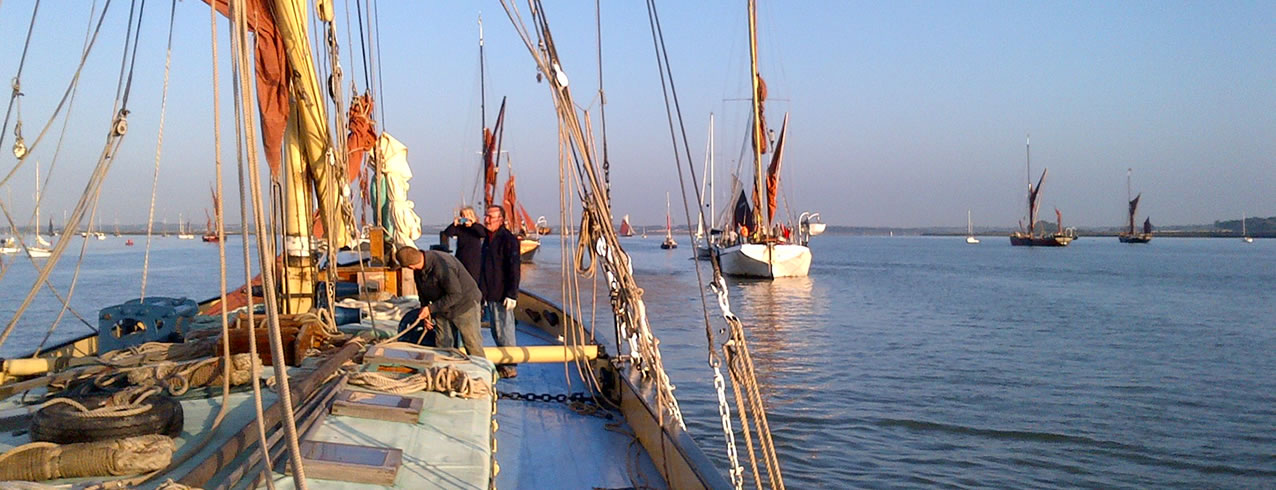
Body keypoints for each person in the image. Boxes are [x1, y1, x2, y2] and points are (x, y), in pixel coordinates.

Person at [395, 246, 485, 359]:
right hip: (441, 306)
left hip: (464, 304)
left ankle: (480, 367)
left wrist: (430, 309)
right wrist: (426, 313)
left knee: (472, 344)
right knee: (443, 345)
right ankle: (446, 367)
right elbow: (422, 293)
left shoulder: (443, 266)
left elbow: (455, 294)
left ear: (410, 266)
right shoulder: (418, 270)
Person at [479, 205, 521, 378]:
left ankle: (510, 366)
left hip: (502, 293)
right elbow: (484, 268)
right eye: (486, 216)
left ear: (501, 220)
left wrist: (512, 294)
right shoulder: (488, 240)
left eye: (490, 217)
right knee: (496, 330)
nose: (486, 220)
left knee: (505, 329)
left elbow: (514, 268)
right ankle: (503, 361)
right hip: (490, 292)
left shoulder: (508, 240)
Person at [439, 207, 484, 281]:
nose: (465, 218)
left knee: (474, 279)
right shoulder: (460, 228)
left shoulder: (477, 227)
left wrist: (473, 224)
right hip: (461, 257)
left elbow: (483, 233)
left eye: (467, 215)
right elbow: (447, 233)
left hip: (474, 259)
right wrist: (454, 224)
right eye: (463, 216)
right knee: (460, 278)